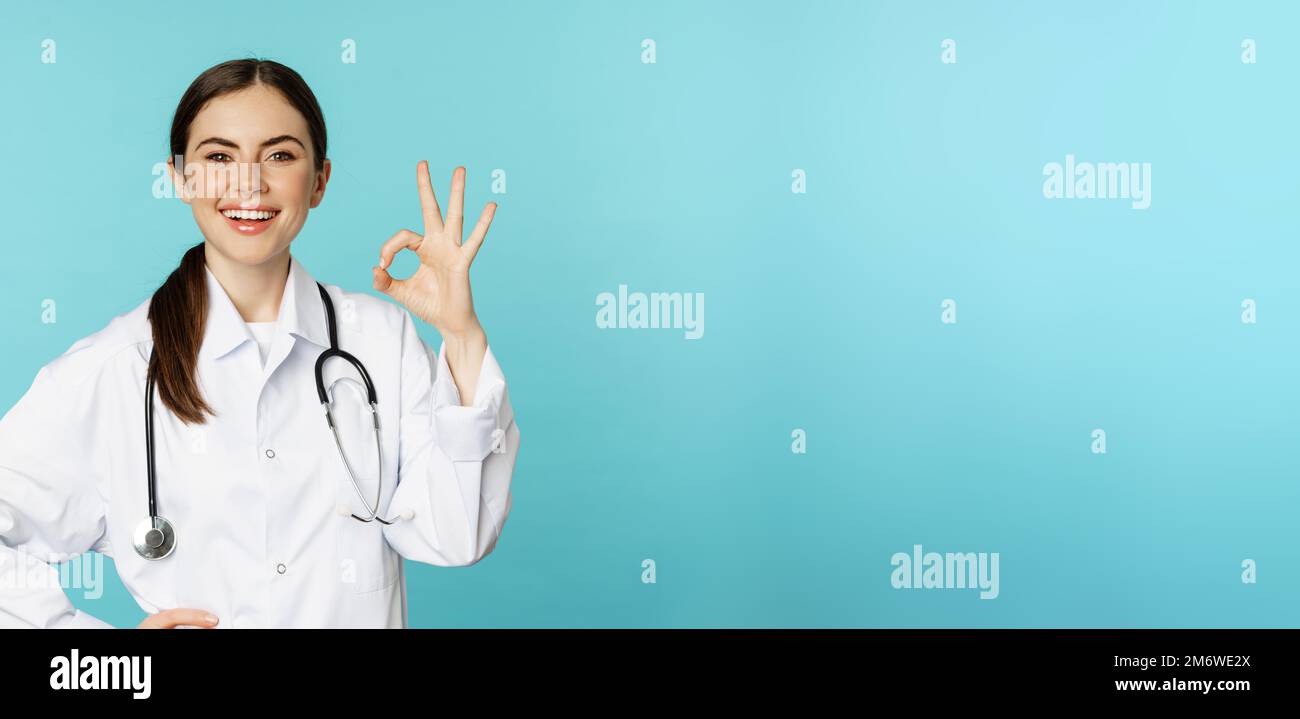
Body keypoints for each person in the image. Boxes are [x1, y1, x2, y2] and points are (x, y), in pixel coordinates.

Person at [0, 58, 519, 628]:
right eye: (219, 157)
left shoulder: (380, 343)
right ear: (181, 177)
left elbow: (456, 535)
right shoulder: (115, 367)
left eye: (280, 155)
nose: (249, 183)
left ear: (319, 180)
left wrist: (461, 336)